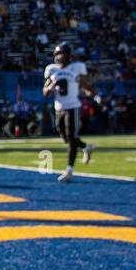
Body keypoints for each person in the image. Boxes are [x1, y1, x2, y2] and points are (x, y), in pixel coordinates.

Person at [42, 43, 95, 182]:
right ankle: (86, 147)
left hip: (73, 106)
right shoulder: (51, 69)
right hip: (59, 107)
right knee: (65, 137)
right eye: (59, 54)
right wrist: (51, 86)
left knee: (71, 137)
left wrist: (90, 92)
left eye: (64, 53)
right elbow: (45, 92)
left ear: (69, 55)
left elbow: (86, 84)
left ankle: (69, 170)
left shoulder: (76, 69)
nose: (61, 56)